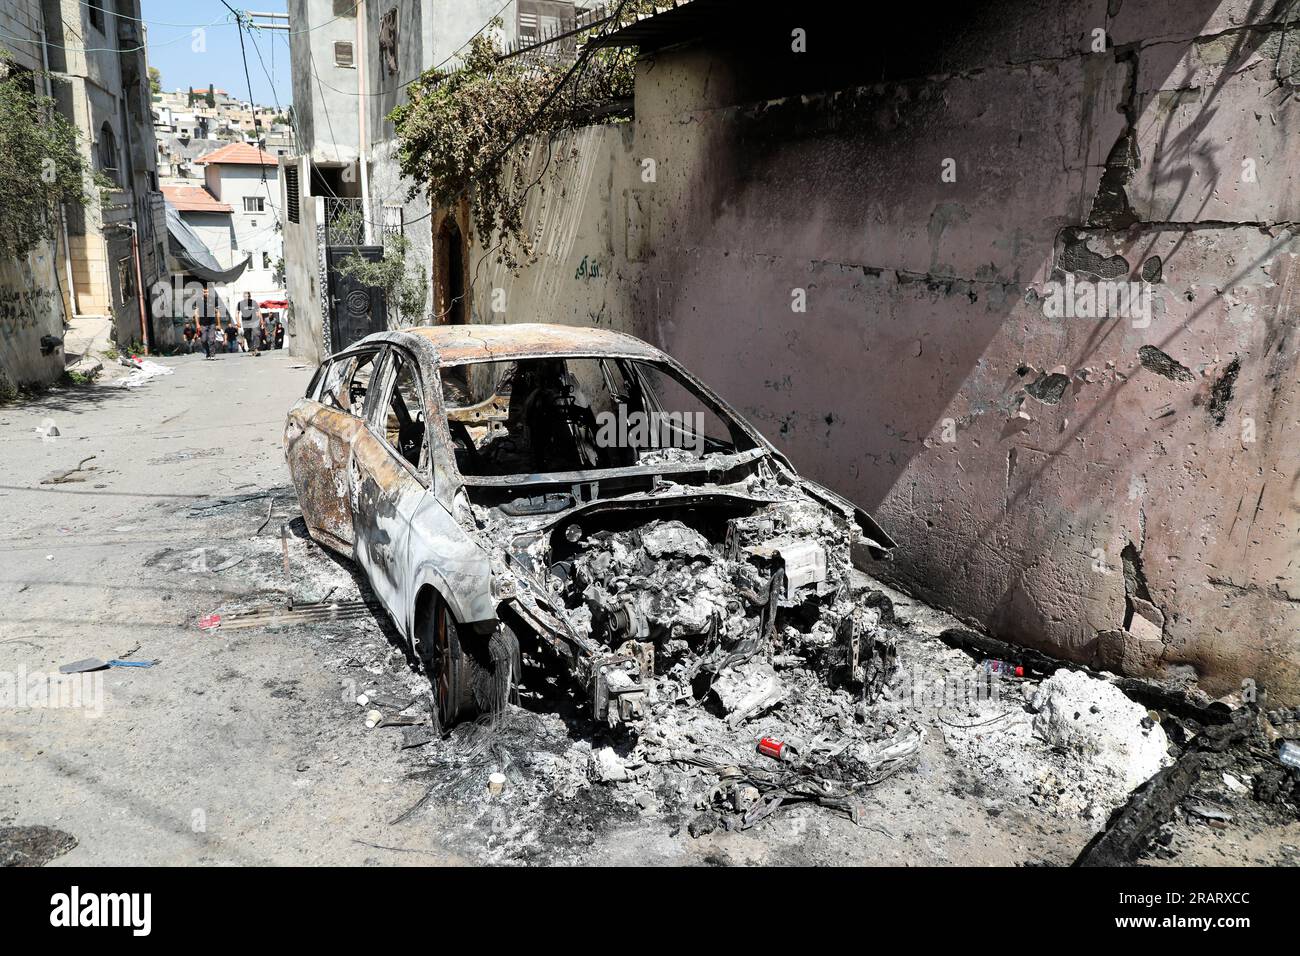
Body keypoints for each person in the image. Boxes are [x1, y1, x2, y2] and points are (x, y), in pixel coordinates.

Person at [198, 289, 218, 359]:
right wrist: (197, 324)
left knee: (211, 339)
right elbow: (196, 313)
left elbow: (217, 312)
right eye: (204, 292)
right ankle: (208, 352)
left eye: (207, 292)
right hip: (203, 324)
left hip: (212, 323)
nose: (206, 293)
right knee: (203, 340)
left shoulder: (213, 300)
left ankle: (212, 354)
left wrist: (218, 323)